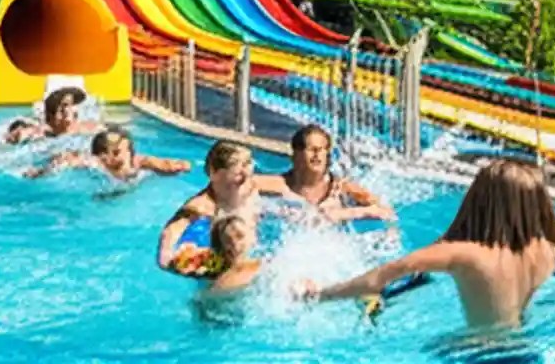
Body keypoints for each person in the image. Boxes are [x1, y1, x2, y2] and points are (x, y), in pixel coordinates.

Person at [298, 159, 555, 330]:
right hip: (526, 353)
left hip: (476, 357)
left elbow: (379, 277)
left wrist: (321, 294)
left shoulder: (465, 254)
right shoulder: (547, 250)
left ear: (480, 200)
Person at [157, 140, 287, 273]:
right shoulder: (203, 206)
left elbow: (289, 188)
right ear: (214, 173)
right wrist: (167, 254)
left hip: (258, 253)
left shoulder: (251, 186)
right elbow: (172, 230)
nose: (245, 176)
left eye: (248, 165)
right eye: (237, 173)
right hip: (228, 266)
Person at [257, 125, 395, 225]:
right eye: (311, 149)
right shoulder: (282, 185)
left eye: (322, 149)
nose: (317, 153)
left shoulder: (340, 188)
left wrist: (344, 214)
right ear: (295, 156)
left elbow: (385, 211)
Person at [24, 128, 192, 180]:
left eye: (129, 150)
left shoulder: (137, 162)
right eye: (120, 152)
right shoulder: (98, 163)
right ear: (104, 156)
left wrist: (178, 166)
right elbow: (66, 162)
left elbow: (161, 164)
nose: (127, 155)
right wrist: (41, 172)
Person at [2, 86, 101, 144]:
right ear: (50, 115)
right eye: (62, 106)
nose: (67, 110)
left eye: (70, 105)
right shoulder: (37, 132)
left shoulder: (89, 128)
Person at [205, 215, 264, 294]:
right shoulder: (222, 284)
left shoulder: (218, 285)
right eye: (229, 241)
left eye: (240, 236)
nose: (236, 245)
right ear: (224, 250)